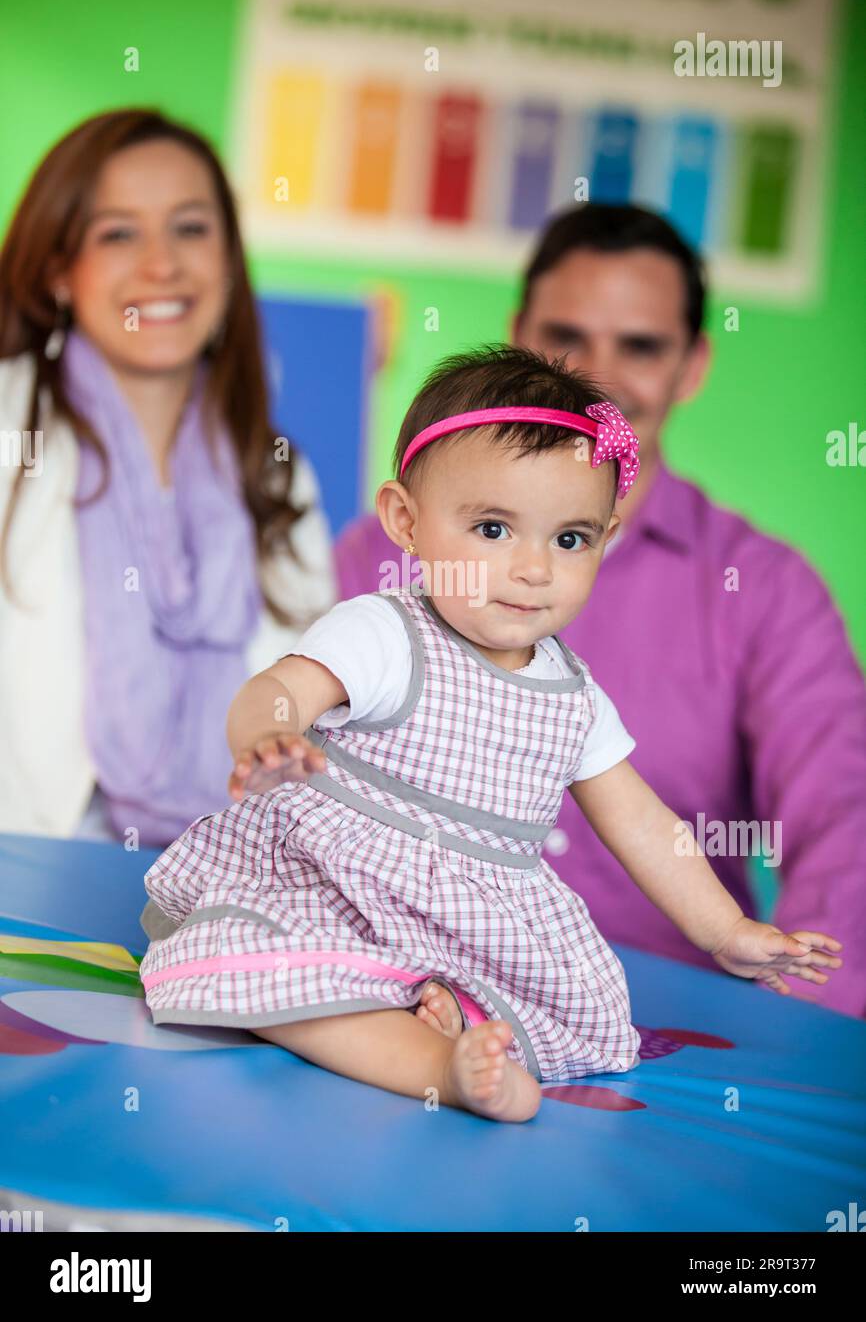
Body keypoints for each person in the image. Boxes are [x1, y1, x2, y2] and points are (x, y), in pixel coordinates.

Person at [137, 349, 842, 1123]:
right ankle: (433, 1060)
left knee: (557, 1023)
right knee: (275, 979)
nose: (533, 568)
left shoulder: (573, 696)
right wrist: (269, 738)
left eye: (570, 539)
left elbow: (644, 825)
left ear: (605, 539)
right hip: (340, 888)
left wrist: (726, 931)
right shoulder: (386, 632)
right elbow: (279, 689)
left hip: (475, 923)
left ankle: (459, 1033)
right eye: (494, 528)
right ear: (406, 521)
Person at [333, 205, 866, 1019]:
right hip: (387, 989)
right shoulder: (381, 553)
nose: (601, 375)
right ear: (518, 337)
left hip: (653, 1029)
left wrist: (808, 1030)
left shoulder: (765, 590)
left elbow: (844, 821)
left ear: (692, 365)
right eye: (567, 335)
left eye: (642, 346)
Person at [0, 109, 336, 847]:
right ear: (59, 268)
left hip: (229, 883)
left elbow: (315, 703)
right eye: (118, 233)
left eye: (190, 228)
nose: (162, 265)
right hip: (27, 868)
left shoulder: (281, 474)